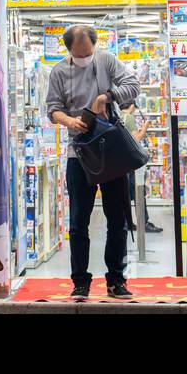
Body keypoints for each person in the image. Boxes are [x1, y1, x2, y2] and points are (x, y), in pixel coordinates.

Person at [44, 24, 142, 300]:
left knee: (118, 219)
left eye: (88, 53)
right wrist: (69, 120)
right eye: (79, 54)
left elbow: (133, 85)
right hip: (80, 154)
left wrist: (107, 97)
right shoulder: (60, 71)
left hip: (111, 151)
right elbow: (52, 109)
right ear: (69, 50)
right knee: (78, 222)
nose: (85, 58)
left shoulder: (106, 60)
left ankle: (115, 279)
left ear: (94, 46)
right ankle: (80, 281)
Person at [120, 100, 162, 234]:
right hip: (131, 162)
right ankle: (144, 223)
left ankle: (126, 223)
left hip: (121, 163)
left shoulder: (118, 115)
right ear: (131, 106)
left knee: (125, 195)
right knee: (139, 194)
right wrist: (145, 126)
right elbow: (136, 138)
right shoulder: (129, 117)